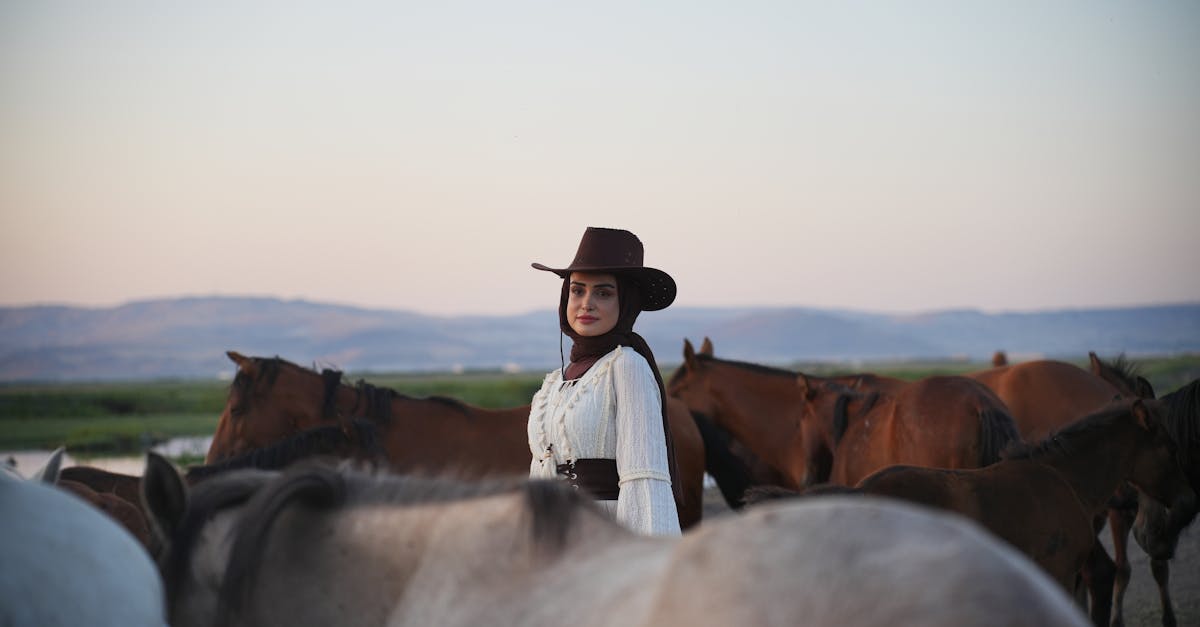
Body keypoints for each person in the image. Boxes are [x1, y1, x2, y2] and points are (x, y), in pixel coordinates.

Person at [527, 227, 682, 536]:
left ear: (626, 303)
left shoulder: (627, 366)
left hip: (604, 536)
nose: (587, 303)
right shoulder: (553, 383)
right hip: (554, 536)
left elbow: (643, 476)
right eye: (577, 290)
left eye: (604, 292)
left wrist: (640, 562)